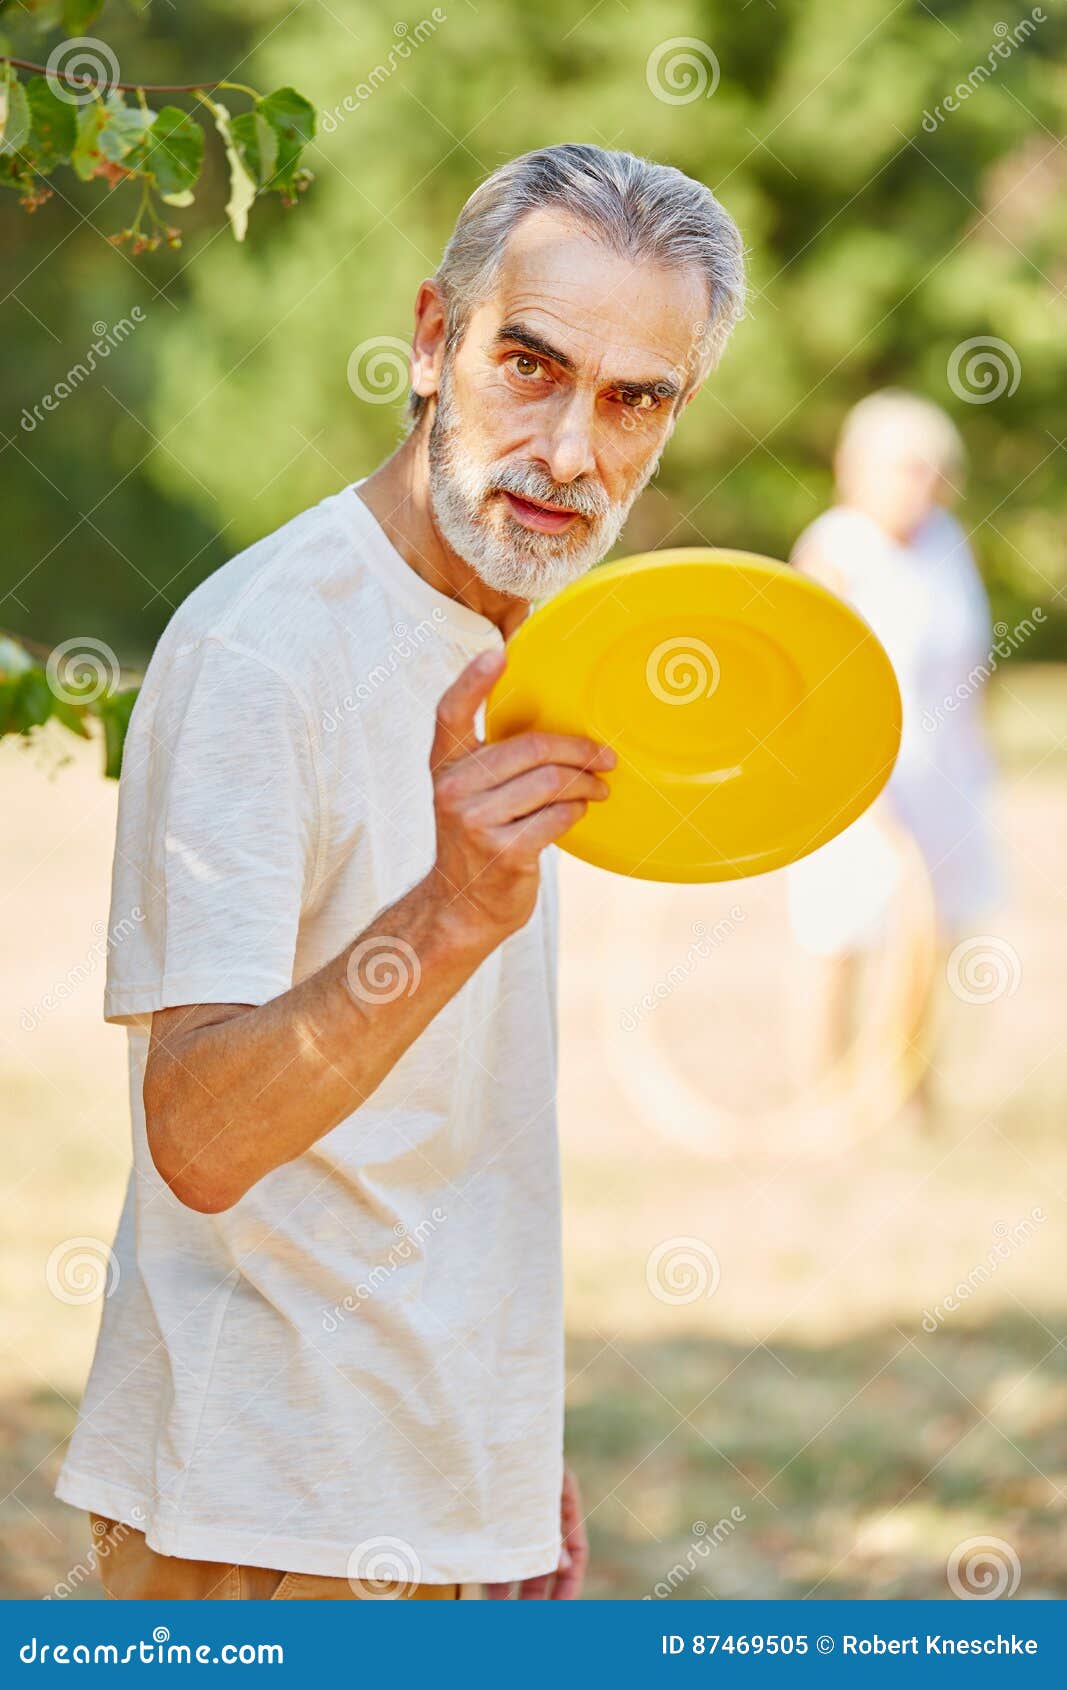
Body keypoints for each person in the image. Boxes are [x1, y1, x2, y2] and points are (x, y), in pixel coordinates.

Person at [54, 144, 745, 1600]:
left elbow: (440, 1131)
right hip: (259, 1523)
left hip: (451, 1501)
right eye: (531, 365)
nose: (567, 451)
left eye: (635, 399)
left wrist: (501, 1453)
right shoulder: (263, 650)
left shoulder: (538, 642)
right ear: (433, 342)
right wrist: (448, 912)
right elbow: (199, 1133)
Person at [786, 390, 1002, 1125]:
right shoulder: (833, 548)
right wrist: (855, 782)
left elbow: (973, 660)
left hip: (946, 768)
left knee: (931, 929)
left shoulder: (948, 541)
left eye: (933, 469)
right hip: (855, 772)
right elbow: (808, 678)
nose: (921, 484)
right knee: (839, 930)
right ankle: (825, 1093)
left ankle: (912, 1090)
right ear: (856, 469)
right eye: (905, 468)